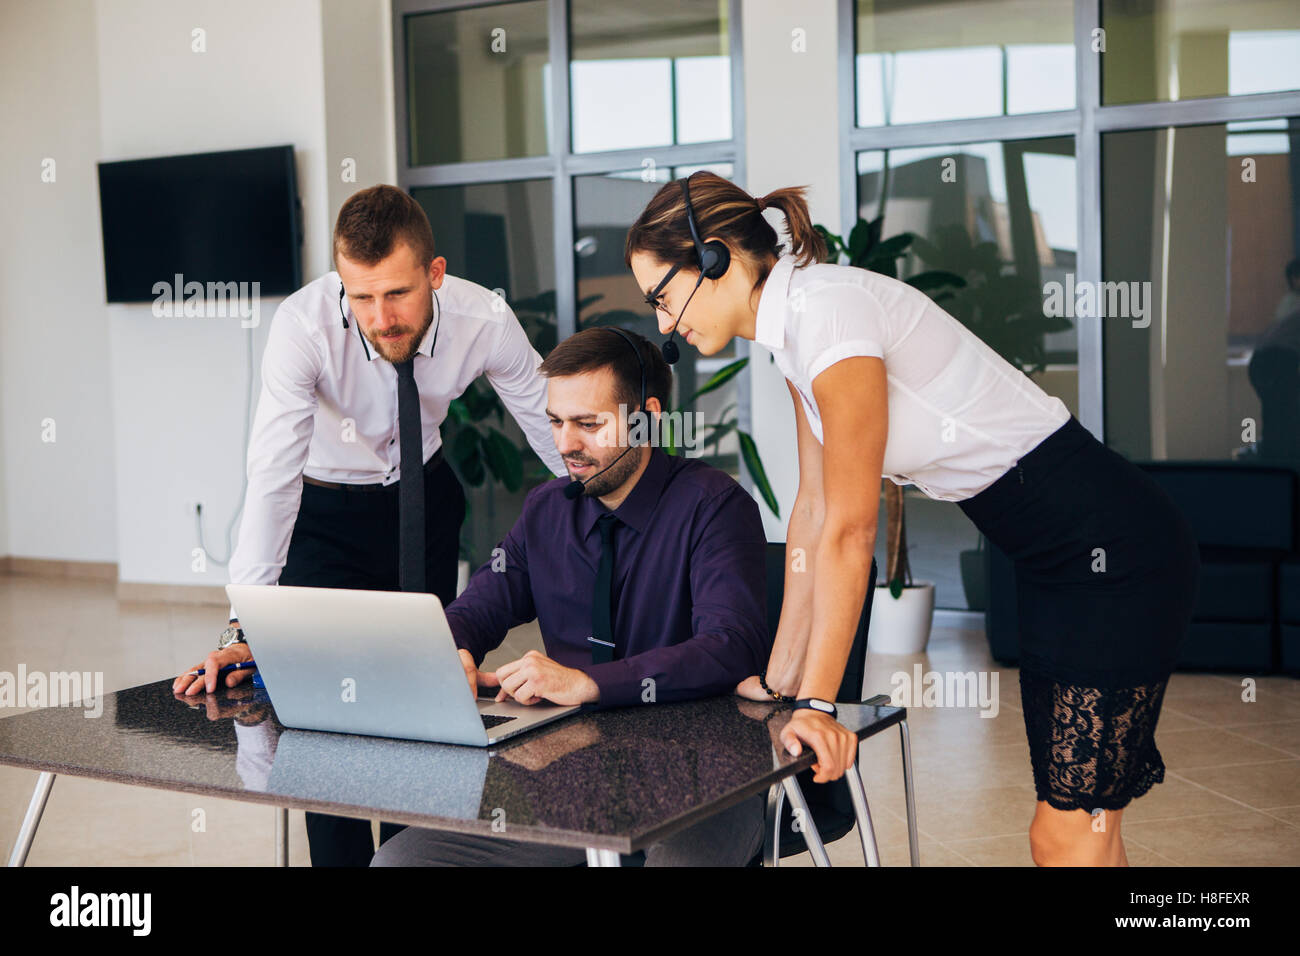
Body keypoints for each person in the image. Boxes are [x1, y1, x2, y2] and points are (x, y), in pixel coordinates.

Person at [623, 171, 1201, 867]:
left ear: (714, 255)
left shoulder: (829, 318)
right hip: (1053, 564)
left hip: (1112, 550)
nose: (661, 323)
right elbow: (811, 515)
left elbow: (849, 531)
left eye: (662, 295)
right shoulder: (796, 336)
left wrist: (820, 706)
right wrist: (780, 683)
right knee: (1081, 824)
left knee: (1065, 830)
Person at [172, 184, 566, 866]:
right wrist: (244, 628)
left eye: (397, 294)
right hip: (324, 514)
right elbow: (272, 478)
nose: (380, 317)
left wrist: (632, 516)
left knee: (421, 699)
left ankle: (412, 857)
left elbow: (554, 432)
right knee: (326, 722)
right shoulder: (304, 327)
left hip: (426, 497)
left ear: (435, 275)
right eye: (361, 297)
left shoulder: (485, 319)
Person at [370, 327, 771, 866]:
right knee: (402, 862)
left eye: (588, 423)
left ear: (647, 416)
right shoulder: (547, 509)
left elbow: (729, 646)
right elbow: (479, 606)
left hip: (702, 775)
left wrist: (586, 683)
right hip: (568, 779)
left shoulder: (715, 506)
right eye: (556, 422)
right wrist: (453, 650)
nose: (565, 444)